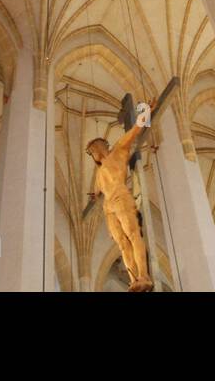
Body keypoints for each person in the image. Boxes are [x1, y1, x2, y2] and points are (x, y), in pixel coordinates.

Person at [85, 104, 155, 292]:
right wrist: (95, 195)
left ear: (102, 146)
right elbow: (97, 192)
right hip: (108, 207)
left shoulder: (118, 152)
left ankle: (144, 276)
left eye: (94, 147)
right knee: (123, 245)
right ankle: (135, 280)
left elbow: (134, 131)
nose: (93, 152)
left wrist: (146, 112)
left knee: (133, 235)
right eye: (91, 151)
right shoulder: (98, 174)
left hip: (121, 197)